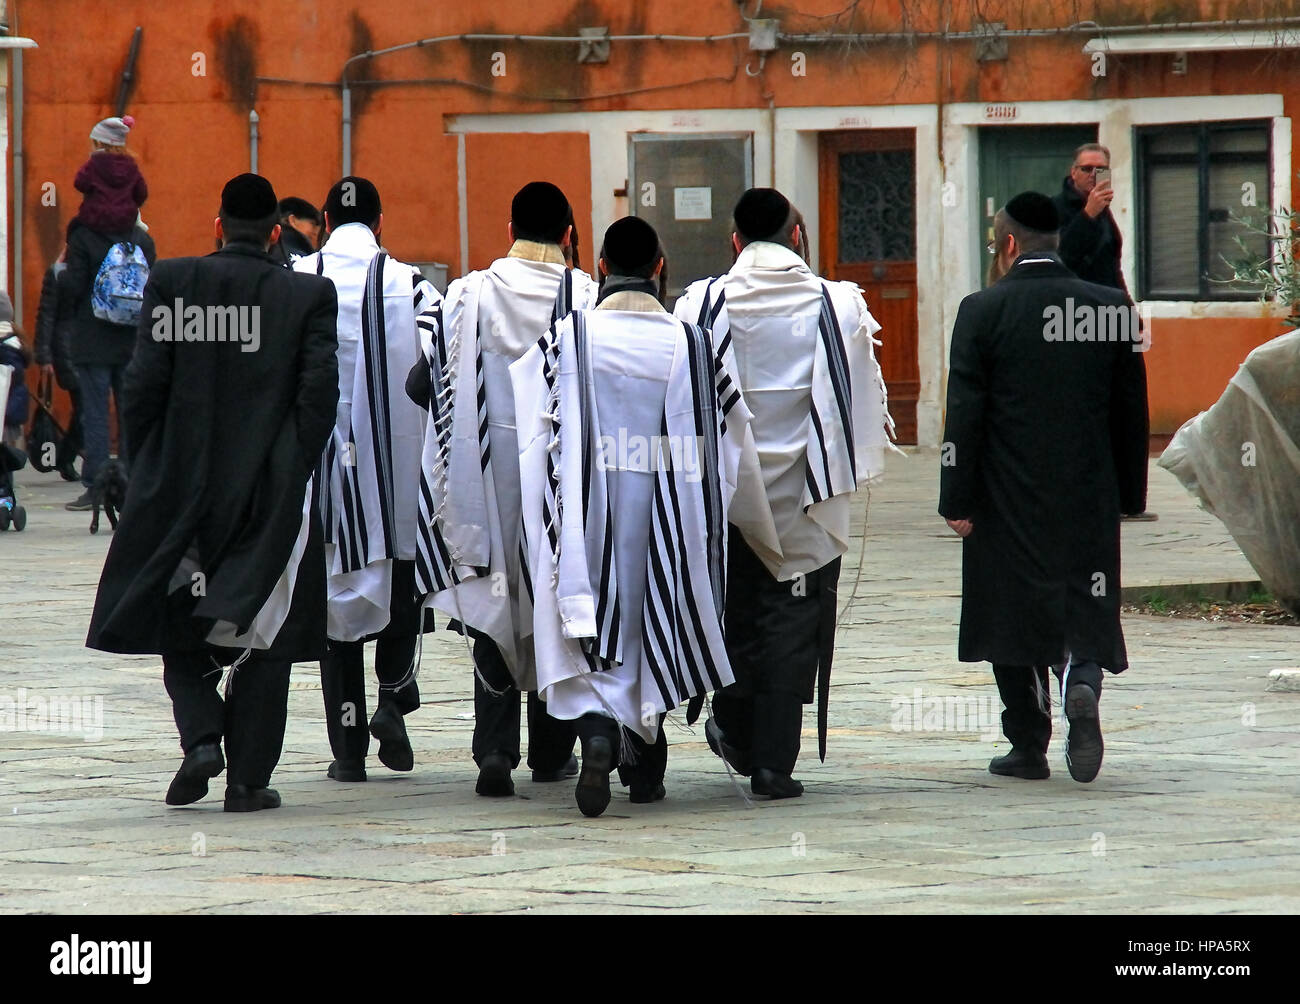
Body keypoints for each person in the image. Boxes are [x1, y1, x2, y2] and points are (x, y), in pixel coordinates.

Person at [86, 173, 339, 812]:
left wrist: (143, 466)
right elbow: (318, 398)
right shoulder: (307, 295)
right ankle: (249, 780)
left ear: (216, 224)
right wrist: (293, 468)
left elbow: (143, 386)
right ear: (277, 233)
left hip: (181, 482)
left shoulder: (172, 282)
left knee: (180, 611)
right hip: (267, 485)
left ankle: (201, 735)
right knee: (264, 626)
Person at [510, 216, 759, 816]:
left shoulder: (567, 339)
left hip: (586, 524)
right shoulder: (693, 343)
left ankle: (597, 734)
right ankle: (644, 769)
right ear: (659, 269)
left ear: (598, 268)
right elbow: (730, 438)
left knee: (593, 631)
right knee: (655, 632)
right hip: (663, 518)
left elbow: (530, 429)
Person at [675, 188, 894, 799]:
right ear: (798, 237)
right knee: (793, 623)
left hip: (728, 493)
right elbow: (858, 398)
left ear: (735, 242)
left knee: (732, 612)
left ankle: (735, 729)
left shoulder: (700, 302)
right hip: (805, 488)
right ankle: (774, 764)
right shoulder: (839, 304)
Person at [938, 192, 1149, 785]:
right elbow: (1132, 415)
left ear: (1007, 244)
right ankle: (1081, 676)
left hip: (1006, 492)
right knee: (1085, 593)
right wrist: (1129, 496)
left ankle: (1028, 742)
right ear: (1055, 241)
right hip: (1087, 491)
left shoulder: (981, 310)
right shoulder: (1111, 308)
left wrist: (956, 497)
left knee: (1009, 607)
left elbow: (965, 415)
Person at [410, 181, 596, 797]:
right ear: (569, 236)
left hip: (487, 478)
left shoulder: (470, 294)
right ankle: (551, 751)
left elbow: (422, 384)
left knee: (494, 598)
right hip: (560, 481)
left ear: (509, 227)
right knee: (554, 600)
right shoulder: (586, 296)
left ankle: (494, 752)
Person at [296, 177, 440, 782]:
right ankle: (392, 699)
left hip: (322, 476)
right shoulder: (413, 286)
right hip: (395, 478)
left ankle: (348, 748)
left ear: (326, 219)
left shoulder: (297, 278)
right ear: (380, 222)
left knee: (334, 603)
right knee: (398, 586)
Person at [1052, 143, 1154, 521]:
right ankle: (1089, 494)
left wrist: (1130, 310)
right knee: (1089, 407)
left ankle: (1130, 498)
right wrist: (1089, 214)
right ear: (1073, 172)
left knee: (1130, 406)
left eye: (1101, 169)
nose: (1094, 176)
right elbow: (1062, 260)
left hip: (1115, 318)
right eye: (1087, 169)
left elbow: (1111, 265)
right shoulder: (1059, 209)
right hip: (1075, 320)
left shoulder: (1105, 211)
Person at [61, 149, 156, 510]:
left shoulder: (83, 236)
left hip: (92, 336)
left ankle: (97, 484)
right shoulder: (141, 239)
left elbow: (73, 287)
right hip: (133, 339)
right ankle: (131, 481)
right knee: (131, 411)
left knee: (95, 412)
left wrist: (60, 274)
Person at [35, 249, 83, 480]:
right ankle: (66, 458)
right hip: (67, 349)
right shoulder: (58, 273)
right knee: (85, 407)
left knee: (87, 407)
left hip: (85, 347)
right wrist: (44, 355)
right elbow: (46, 315)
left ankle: (67, 457)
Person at [71, 116, 148, 235]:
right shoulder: (131, 166)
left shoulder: (94, 163)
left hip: (95, 219)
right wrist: (127, 205)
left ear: (99, 143)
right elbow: (142, 193)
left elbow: (79, 183)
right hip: (126, 221)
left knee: (73, 226)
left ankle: (65, 254)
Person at [276, 197, 321, 264]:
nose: (316, 232)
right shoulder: (300, 257)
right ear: (293, 220)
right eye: (312, 224)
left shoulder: (267, 250)